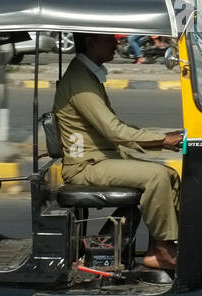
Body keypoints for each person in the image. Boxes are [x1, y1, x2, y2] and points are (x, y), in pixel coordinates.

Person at [52, 33, 185, 270]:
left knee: (170, 175)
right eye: (109, 39)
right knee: (156, 176)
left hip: (101, 158)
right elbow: (114, 131)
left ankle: (159, 246)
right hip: (87, 166)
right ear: (91, 41)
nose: (116, 44)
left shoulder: (87, 76)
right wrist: (163, 140)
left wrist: (159, 139)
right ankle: (165, 251)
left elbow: (114, 129)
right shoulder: (80, 82)